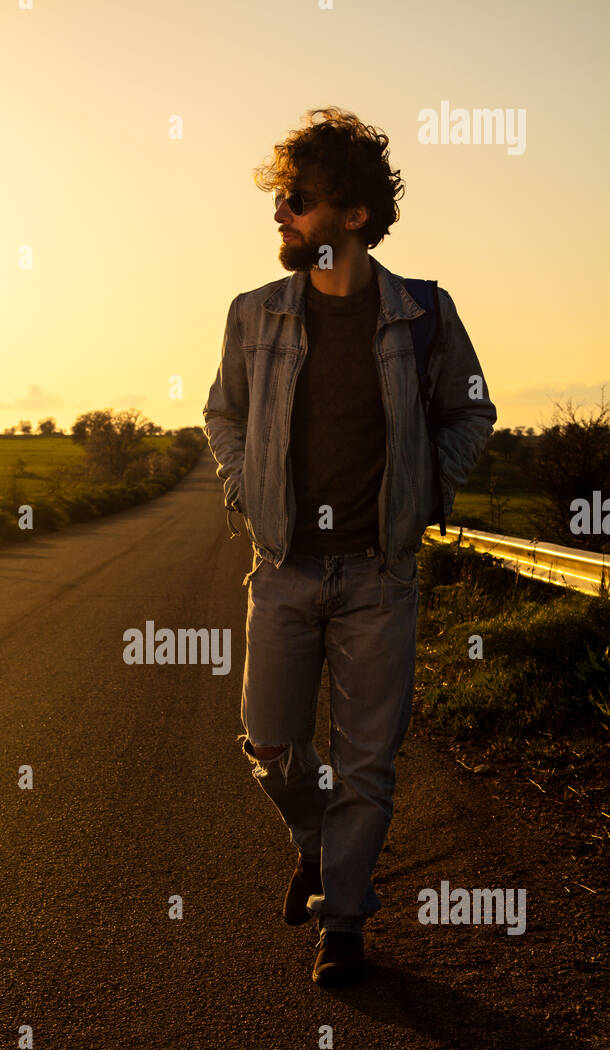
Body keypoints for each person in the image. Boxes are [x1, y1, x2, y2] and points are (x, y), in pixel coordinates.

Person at [203, 107, 496, 987]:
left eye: (296, 199)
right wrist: (244, 489)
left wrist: (425, 494)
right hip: (285, 569)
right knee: (268, 741)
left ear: (353, 215)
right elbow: (224, 413)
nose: (280, 213)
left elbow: (471, 409)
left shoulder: (423, 316)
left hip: (379, 574)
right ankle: (317, 844)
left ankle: (346, 921)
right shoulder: (255, 315)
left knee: (368, 761)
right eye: (281, 199)